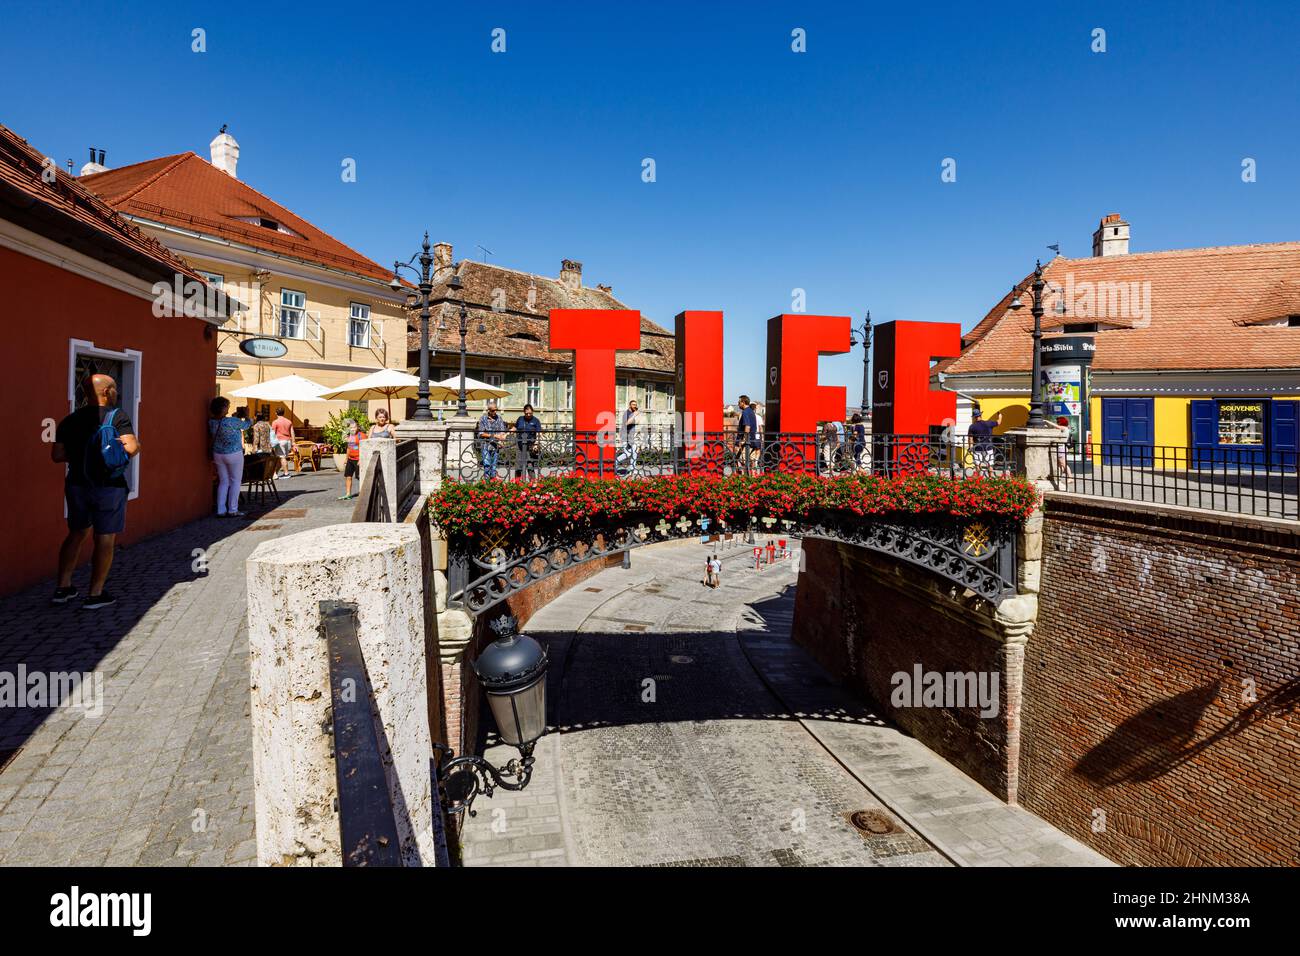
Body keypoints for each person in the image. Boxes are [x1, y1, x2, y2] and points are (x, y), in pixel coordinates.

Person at [50, 374, 140, 609]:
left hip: (77, 484)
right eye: (115, 389)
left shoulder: (69, 420)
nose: (117, 393)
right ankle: (95, 593)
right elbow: (131, 447)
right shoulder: (116, 416)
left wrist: (82, 454)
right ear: (107, 391)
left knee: (76, 533)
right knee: (105, 538)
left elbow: (57, 456)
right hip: (108, 486)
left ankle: (63, 587)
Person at [209, 398, 251, 518]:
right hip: (233, 454)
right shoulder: (232, 421)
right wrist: (247, 415)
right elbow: (247, 425)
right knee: (235, 481)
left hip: (218, 454)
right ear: (223, 408)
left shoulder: (211, 422)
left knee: (223, 482)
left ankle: (221, 510)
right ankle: (233, 509)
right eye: (227, 406)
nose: (228, 408)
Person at [477, 401, 507, 479]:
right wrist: (494, 436)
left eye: (496, 410)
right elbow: (481, 433)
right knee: (487, 466)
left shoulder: (499, 418)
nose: (495, 412)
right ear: (489, 411)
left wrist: (502, 439)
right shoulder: (483, 419)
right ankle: (486, 484)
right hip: (485, 445)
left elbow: (502, 431)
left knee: (494, 467)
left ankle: (492, 485)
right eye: (493, 410)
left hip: (496, 446)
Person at [340, 419, 367, 500]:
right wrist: (346, 459)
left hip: (358, 459)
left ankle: (364, 493)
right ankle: (348, 494)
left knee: (360, 477)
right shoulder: (350, 436)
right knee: (348, 476)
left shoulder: (362, 436)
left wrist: (361, 459)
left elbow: (364, 448)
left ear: (357, 427)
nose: (353, 429)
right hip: (350, 459)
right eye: (351, 427)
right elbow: (349, 448)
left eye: (354, 427)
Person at [513, 404, 542, 479]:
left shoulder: (536, 420)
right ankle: (517, 484)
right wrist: (507, 433)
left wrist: (537, 443)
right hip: (520, 445)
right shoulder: (520, 419)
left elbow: (539, 433)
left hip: (530, 446)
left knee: (530, 465)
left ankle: (532, 484)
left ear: (532, 412)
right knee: (518, 466)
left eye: (530, 413)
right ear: (524, 412)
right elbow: (515, 428)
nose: (528, 415)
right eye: (526, 413)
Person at [736, 395, 759, 474]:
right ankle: (752, 480)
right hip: (753, 440)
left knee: (741, 461)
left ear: (743, 402)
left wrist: (744, 440)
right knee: (751, 462)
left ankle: (742, 480)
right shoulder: (751, 411)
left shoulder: (745, 412)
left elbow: (747, 426)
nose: (738, 404)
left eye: (739, 402)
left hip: (746, 441)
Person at [271, 407, 295, 479]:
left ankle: (286, 473)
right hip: (288, 441)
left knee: (282, 457)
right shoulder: (288, 421)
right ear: (284, 412)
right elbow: (292, 432)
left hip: (280, 441)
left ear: (276, 413)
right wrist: (293, 442)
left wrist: (271, 443)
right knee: (280, 458)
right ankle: (275, 474)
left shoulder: (275, 422)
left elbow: (272, 433)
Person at [620, 398, 641, 473]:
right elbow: (627, 423)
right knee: (629, 453)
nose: (635, 406)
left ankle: (633, 468)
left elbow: (638, 422)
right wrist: (634, 415)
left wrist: (636, 415)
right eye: (633, 404)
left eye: (635, 405)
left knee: (633, 452)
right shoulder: (627, 413)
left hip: (630, 437)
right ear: (630, 405)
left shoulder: (633, 413)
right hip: (625, 436)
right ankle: (615, 463)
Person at [1054, 415, 1073, 480]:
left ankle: (1070, 477)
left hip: (1061, 448)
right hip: (1061, 447)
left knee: (1063, 464)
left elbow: (1056, 426)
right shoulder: (1065, 428)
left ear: (1061, 422)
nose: (1057, 423)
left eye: (1058, 421)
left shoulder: (1064, 428)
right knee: (1059, 464)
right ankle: (1058, 477)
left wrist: (1046, 421)